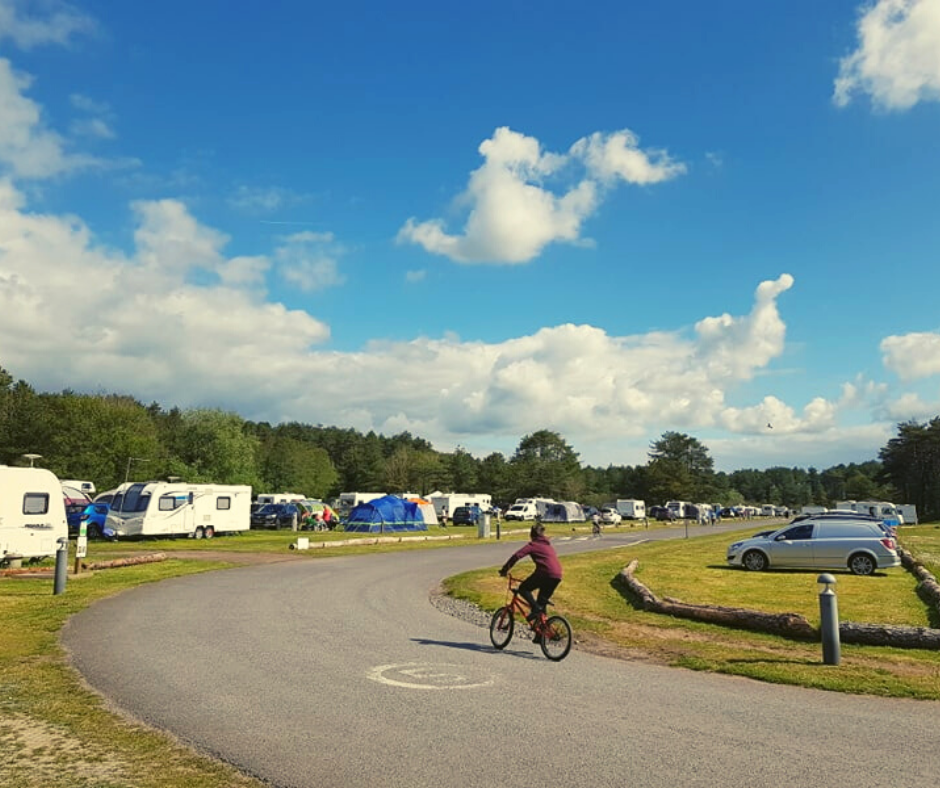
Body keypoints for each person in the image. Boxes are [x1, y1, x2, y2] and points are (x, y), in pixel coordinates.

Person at [499, 523, 563, 642]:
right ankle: (540, 634)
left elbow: (517, 555)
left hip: (545, 573)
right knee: (542, 601)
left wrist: (505, 570)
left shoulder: (533, 545)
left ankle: (535, 609)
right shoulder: (548, 545)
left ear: (531, 534)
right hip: (557, 575)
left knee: (524, 589)